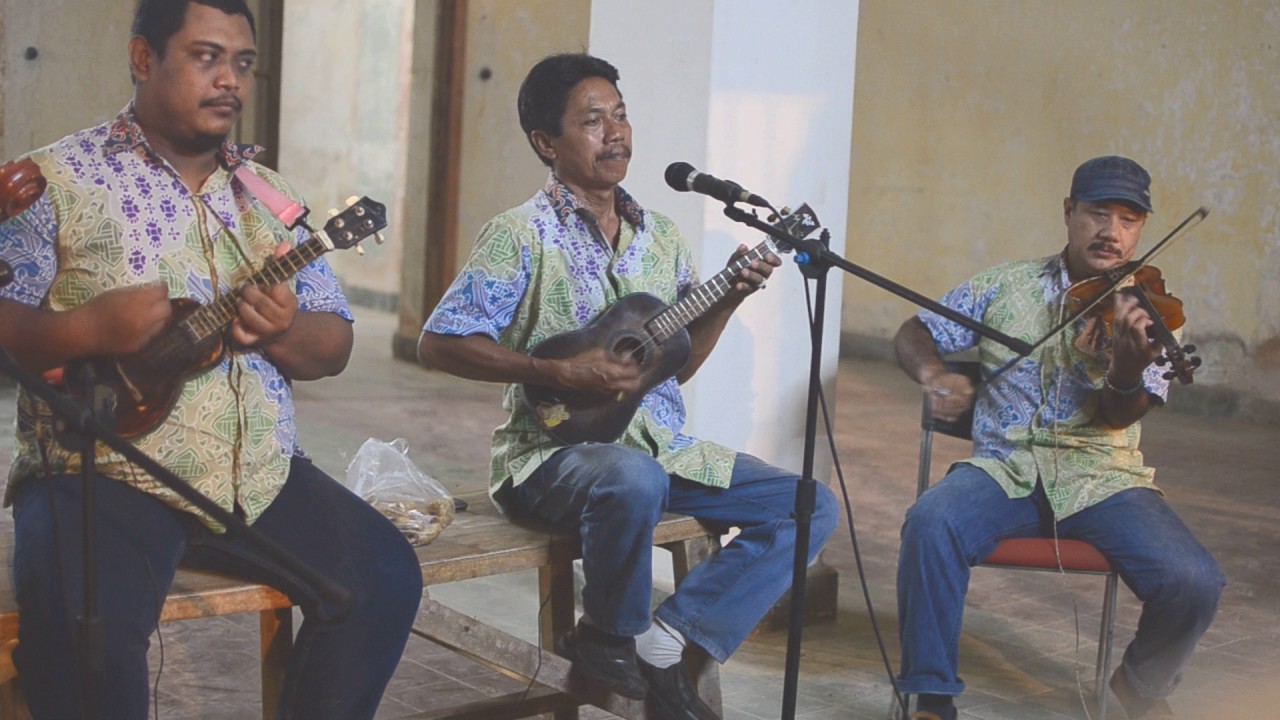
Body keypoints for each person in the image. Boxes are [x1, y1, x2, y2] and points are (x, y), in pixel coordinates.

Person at [0, 1, 423, 717]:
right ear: (143, 59)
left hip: (254, 473)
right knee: (84, 633)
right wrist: (85, 330)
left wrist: (284, 331)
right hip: (100, 469)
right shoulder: (57, 182)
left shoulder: (273, 199)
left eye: (243, 63)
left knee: (380, 578)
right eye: (206, 56)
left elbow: (336, 344)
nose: (230, 79)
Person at [418, 53, 838, 720]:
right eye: (592, 120)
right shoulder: (519, 236)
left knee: (810, 505)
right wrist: (554, 371)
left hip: (660, 449)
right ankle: (607, 641)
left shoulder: (663, 238)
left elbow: (676, 367)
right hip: (551, 458)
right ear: (545, 143)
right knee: (631, 476)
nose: (615, 132)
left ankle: (666, 640)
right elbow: (438, 342)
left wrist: (725, 300)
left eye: (621, 115)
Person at [892, 156, 1225, 720]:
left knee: (1194, 580)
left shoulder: (1153, 315)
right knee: (931, 523)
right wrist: (934, 374)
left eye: (1128, 219)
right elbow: (916, 330)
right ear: (1069, 212)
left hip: (1103, 478)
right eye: (1098, 212)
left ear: (1141, 227)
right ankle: (931, 696)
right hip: (1005, 469)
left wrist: (1124, 368)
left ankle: (1142, 681)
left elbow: (1120, 415)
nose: (1111, 232)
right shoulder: (1003, 284)